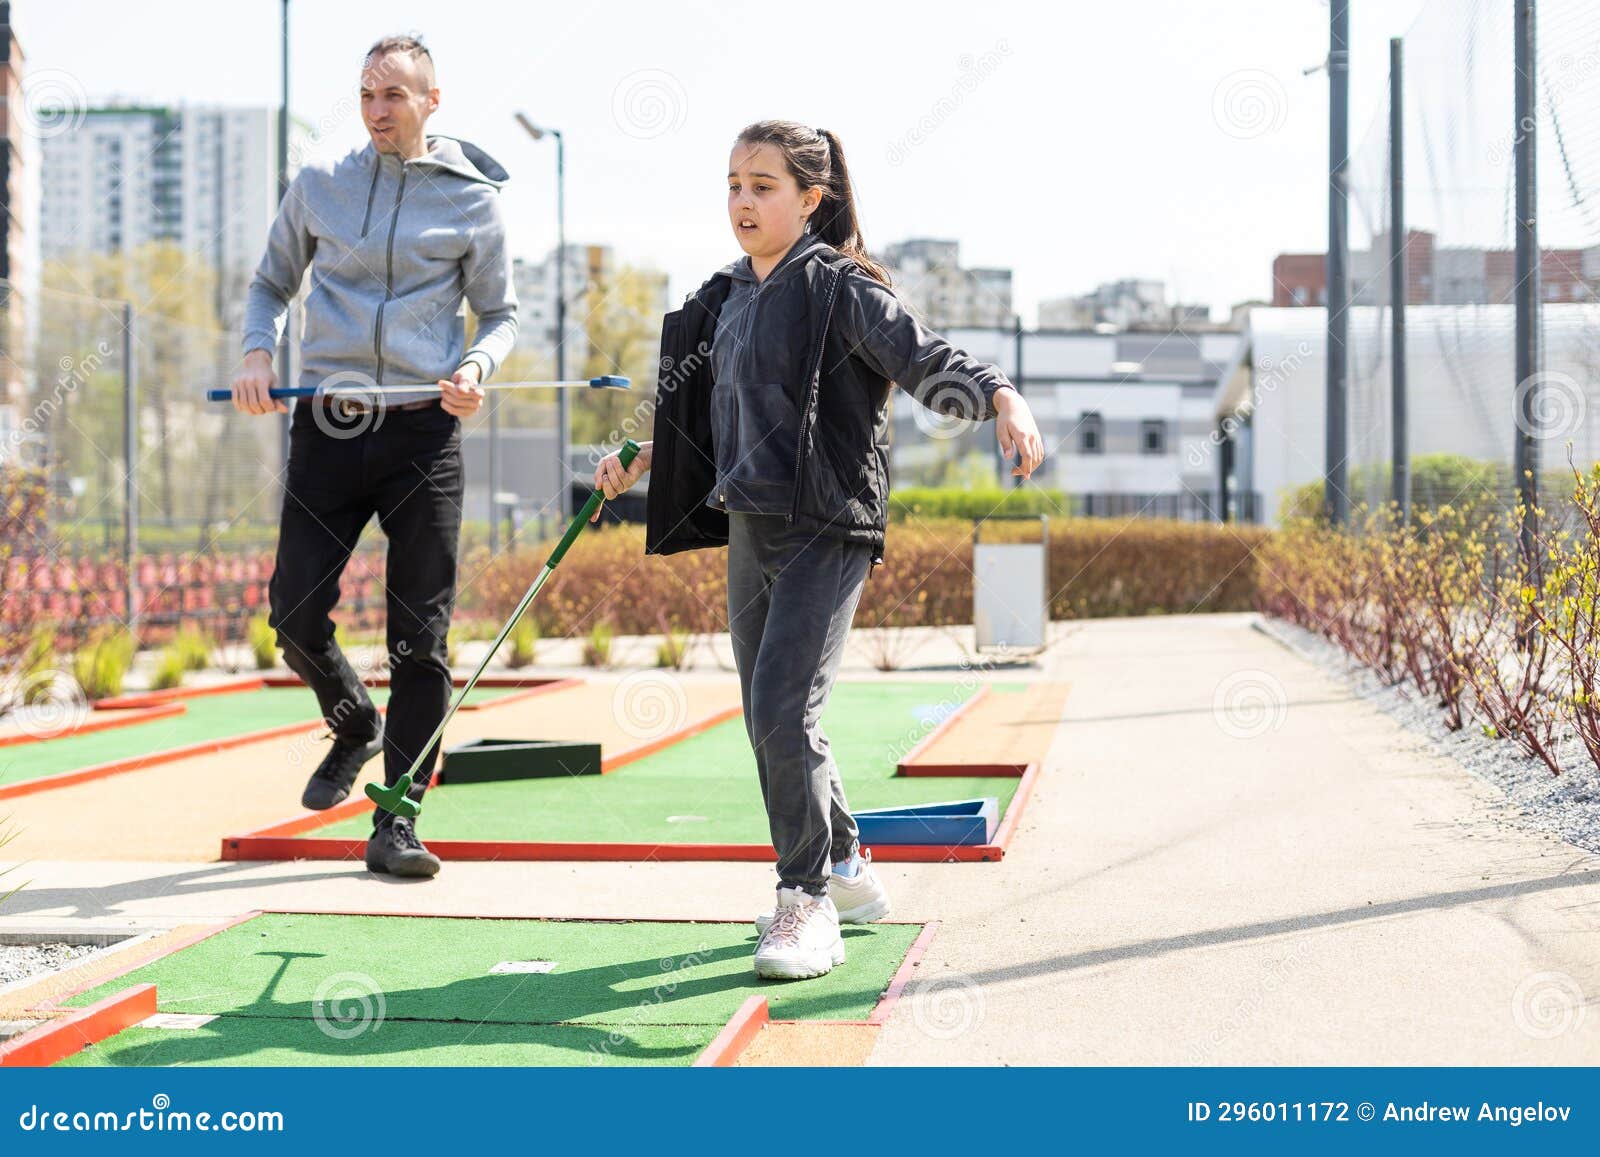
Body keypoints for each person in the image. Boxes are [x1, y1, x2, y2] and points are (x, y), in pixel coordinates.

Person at [593, 120, 1044, 979]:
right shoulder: (724, 297)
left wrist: (1001, 396)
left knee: (781, 710)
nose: (742, 201)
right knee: (773, 718)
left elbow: (925, 358)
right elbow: (715, 416)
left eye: (763, 186)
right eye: (733, 184)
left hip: (827, 526)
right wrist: (645, 454)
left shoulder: (841, 288)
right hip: (749, 523)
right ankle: (847, 866)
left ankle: (805, 901)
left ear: (810, 198)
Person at [231, 35, 518, 878]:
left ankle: (397, 821)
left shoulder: (474, 201)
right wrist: (257, 351)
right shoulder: (320, 182)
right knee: (292, 612)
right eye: (366, 94)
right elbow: (270, 283)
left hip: (423, 434)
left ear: (432, 100)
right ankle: (353, 719)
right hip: (329, 423)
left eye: (394, 94)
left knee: (419, 639)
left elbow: (501, 314)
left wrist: (476, 366)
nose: (377, 109)